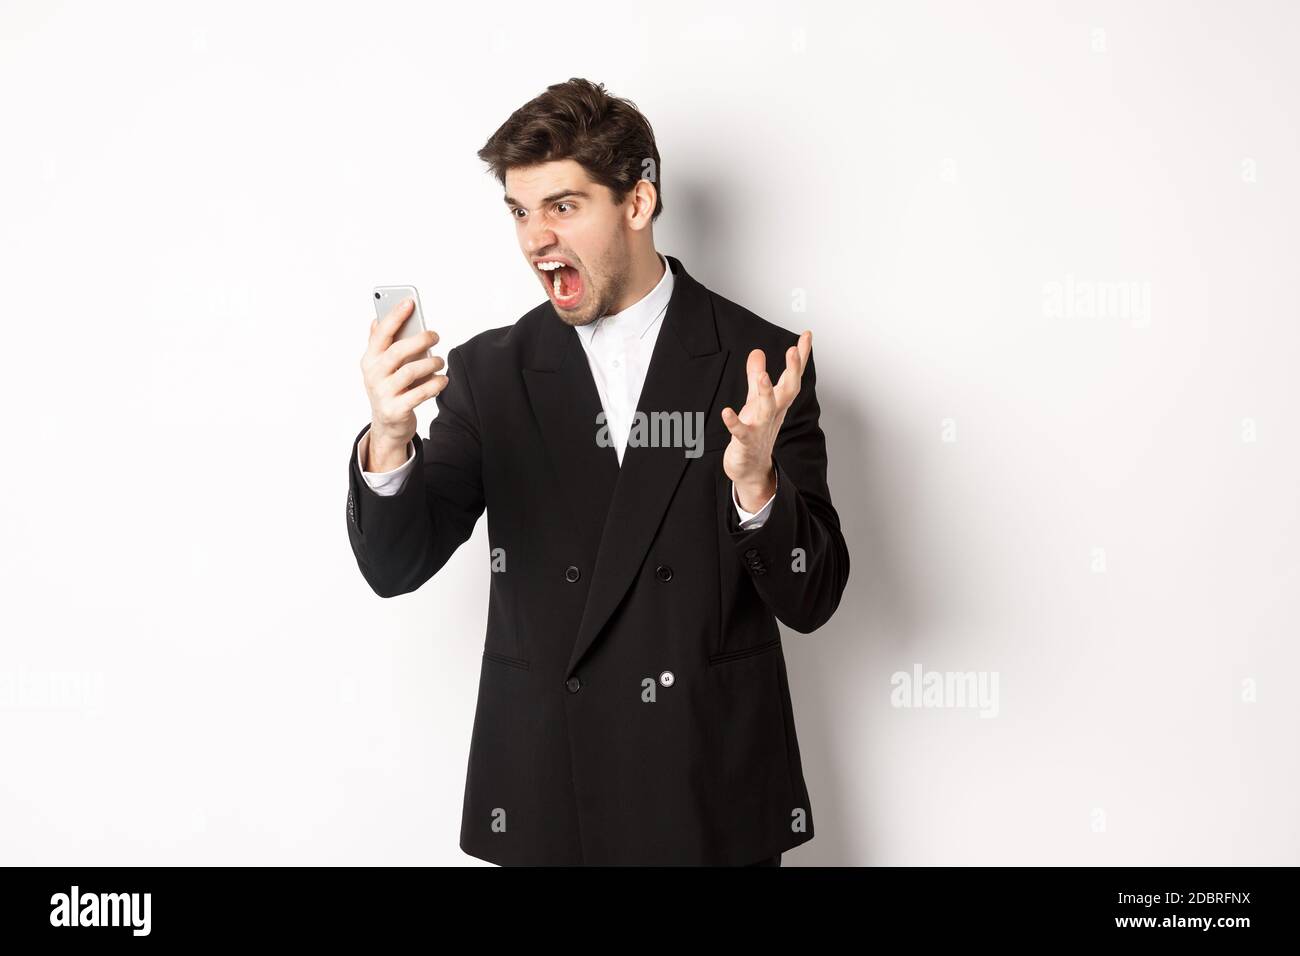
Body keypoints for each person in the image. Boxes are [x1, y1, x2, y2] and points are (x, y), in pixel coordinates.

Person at [346, 78, 850, 865]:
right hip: (551, 803)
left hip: (708, 799)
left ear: (638, 203)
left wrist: (757, 487)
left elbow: (813, 596)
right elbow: (394, 563)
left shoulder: (758, 362)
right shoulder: (490, 373)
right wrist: (388, 435)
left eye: (563, 206)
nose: (535, 238)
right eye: (519, 211)